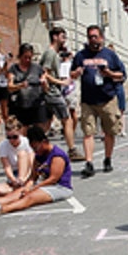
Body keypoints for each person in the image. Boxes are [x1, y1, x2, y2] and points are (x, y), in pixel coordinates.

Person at [71, 25, 126, 177]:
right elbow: (72, 73)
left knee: (109, 131)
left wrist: (109, 73)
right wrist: (76, 73)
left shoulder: (110, 55)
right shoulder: (81, 55)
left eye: (95, 36)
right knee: (88, 132)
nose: (92, 40)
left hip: (107, 99)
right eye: (90, 37)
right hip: (88, 100)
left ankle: (107, 159)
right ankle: (89, 163)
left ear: (101, 38)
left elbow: (122, 75)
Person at [0, 129, 72, 217]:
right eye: (33, 149)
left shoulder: (57, 155)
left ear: (44, 142)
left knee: (30, 197)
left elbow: (53, 179)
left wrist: (33, 188)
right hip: (44, 185)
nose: (35, 151)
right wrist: (27, 187)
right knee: (18, 193)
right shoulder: (38, 155)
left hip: (60, 187)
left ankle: (2, 209)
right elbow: (33, 176)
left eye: (36, 148)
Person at [39, 27, 79, 159]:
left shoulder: (53, 54)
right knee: (66, 120)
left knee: (46, 124)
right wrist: (62, 83)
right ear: (55, 37)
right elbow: (45, 73)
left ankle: (37, 148)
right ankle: (72, 150)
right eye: (63, 37)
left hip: (50, 93)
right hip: (53, 93)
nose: (64, 40)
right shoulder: (50, 54)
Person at [0, 117, 34, 197]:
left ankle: (22, 184)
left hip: (27, 173)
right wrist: (13, 180)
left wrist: (24, 178)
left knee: (21, 153)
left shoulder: (26, 142)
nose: (12, 140)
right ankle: (18, 189)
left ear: (20, 132)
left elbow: (32, 163)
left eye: (15, 137)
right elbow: (6, 166)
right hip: (14, 175)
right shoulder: (3, 145)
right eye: (9, 137)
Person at [7, 43, 45, 131]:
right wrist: (20, 86)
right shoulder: (14, 69)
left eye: (30, 57)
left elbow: (45, 83)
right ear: (20, 56)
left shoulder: (37, 68)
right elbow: (10, 86)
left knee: (38, 131)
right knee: (22, 130)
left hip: (36, 104)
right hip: (20, 105)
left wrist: (44, 83)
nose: (28, 60)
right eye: (25, 57)